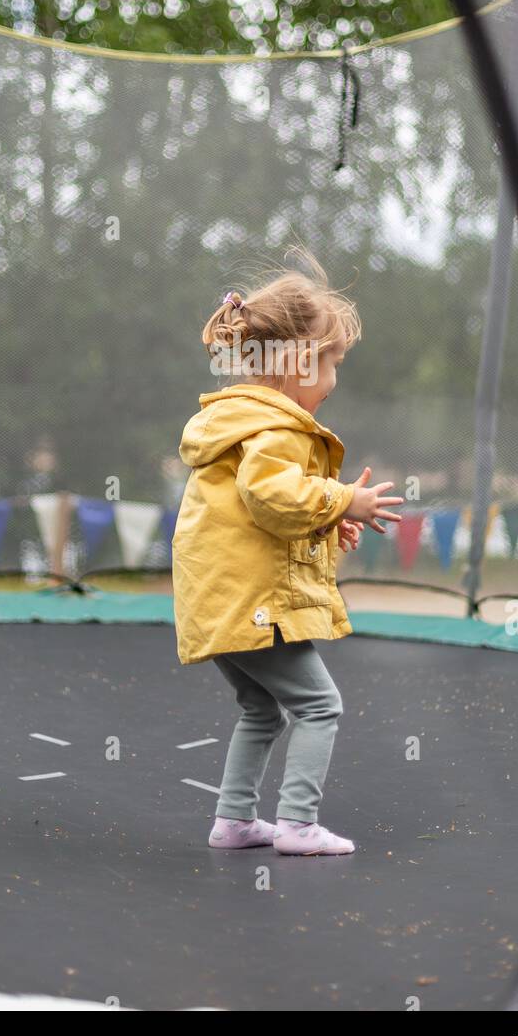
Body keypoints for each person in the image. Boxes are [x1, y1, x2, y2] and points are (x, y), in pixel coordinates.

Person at [172, 251, 403, 856]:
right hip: (252, 602)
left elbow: (256, 519)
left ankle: (235, 820)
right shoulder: (275, 429)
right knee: (320, 705)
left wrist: (328, 523)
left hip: (221, 597)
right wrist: (343, 499)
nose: (332, 381)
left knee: (262, 709)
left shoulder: (236, 423)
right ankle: (298, 824)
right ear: (298, 363)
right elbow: (271, 496)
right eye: (331, 364)